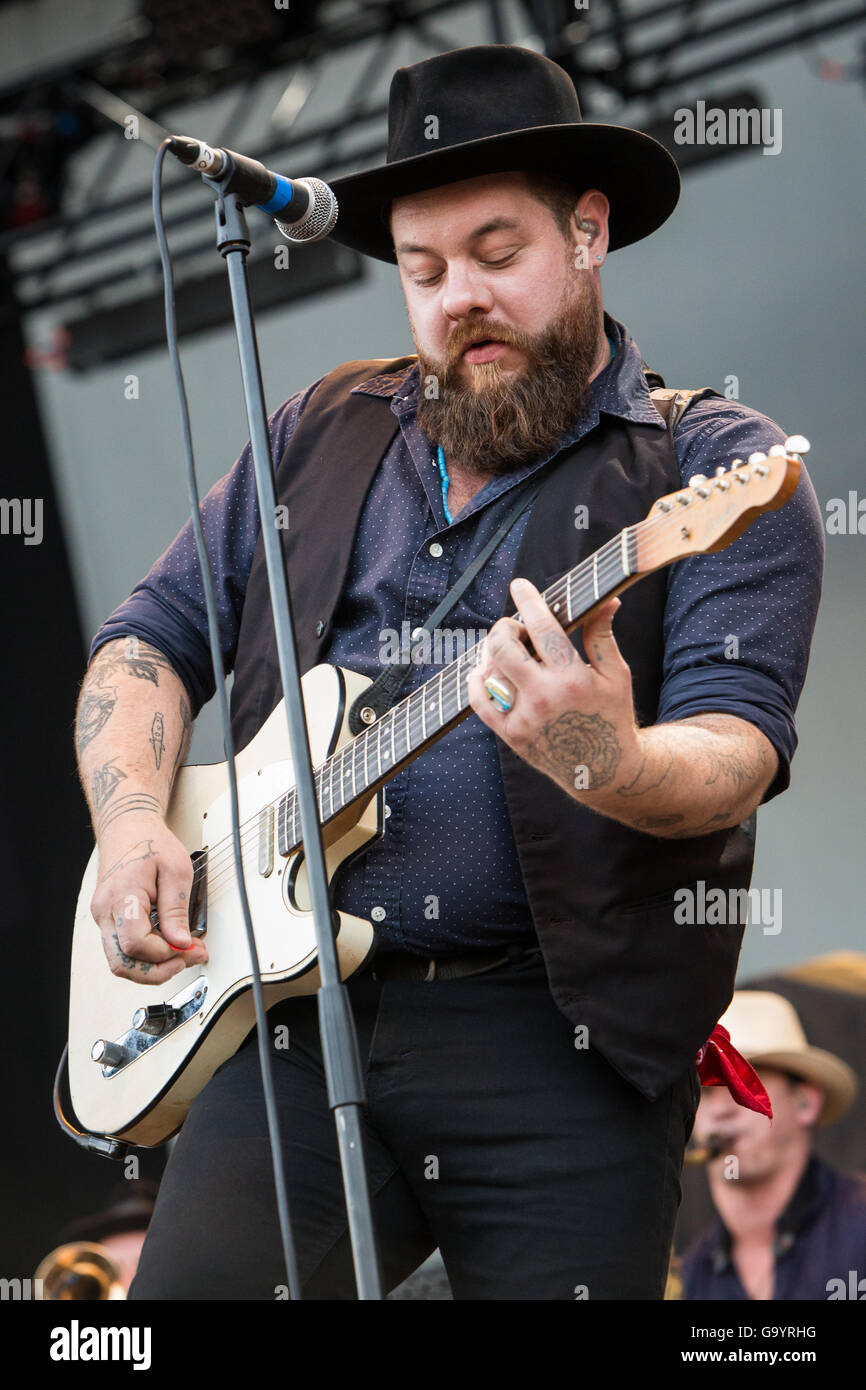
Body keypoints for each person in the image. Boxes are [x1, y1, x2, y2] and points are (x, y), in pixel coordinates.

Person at [74, 44, 823, 1300]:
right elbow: (145, 637)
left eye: (494, 253)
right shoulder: (318, 427)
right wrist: (136, 814)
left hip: (561, 1044)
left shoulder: (705, 469)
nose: (454, 298)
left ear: (586, 235)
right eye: (422, 272)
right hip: (296, 1035)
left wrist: (613, 758)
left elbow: (734, 754)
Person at [682, 991, 865, 1301]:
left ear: (806, 1102)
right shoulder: (691, 1274)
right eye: (707, 1091)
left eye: (744, 1084)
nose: (720, 1110)